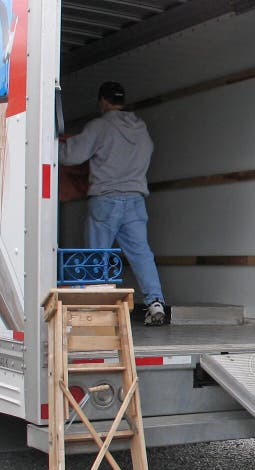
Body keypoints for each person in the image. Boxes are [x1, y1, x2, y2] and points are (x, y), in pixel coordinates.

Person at [59, 81, 166, 326]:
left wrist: (51, 147)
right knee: (141, 254)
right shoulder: (141, 129)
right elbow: (147, 152)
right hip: (136, 201)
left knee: (98, 254)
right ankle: (155, 302)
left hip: (105, 200)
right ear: (122, 101)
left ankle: (97, 307)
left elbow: (72, 156)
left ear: (103, 102)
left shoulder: (100, 126)